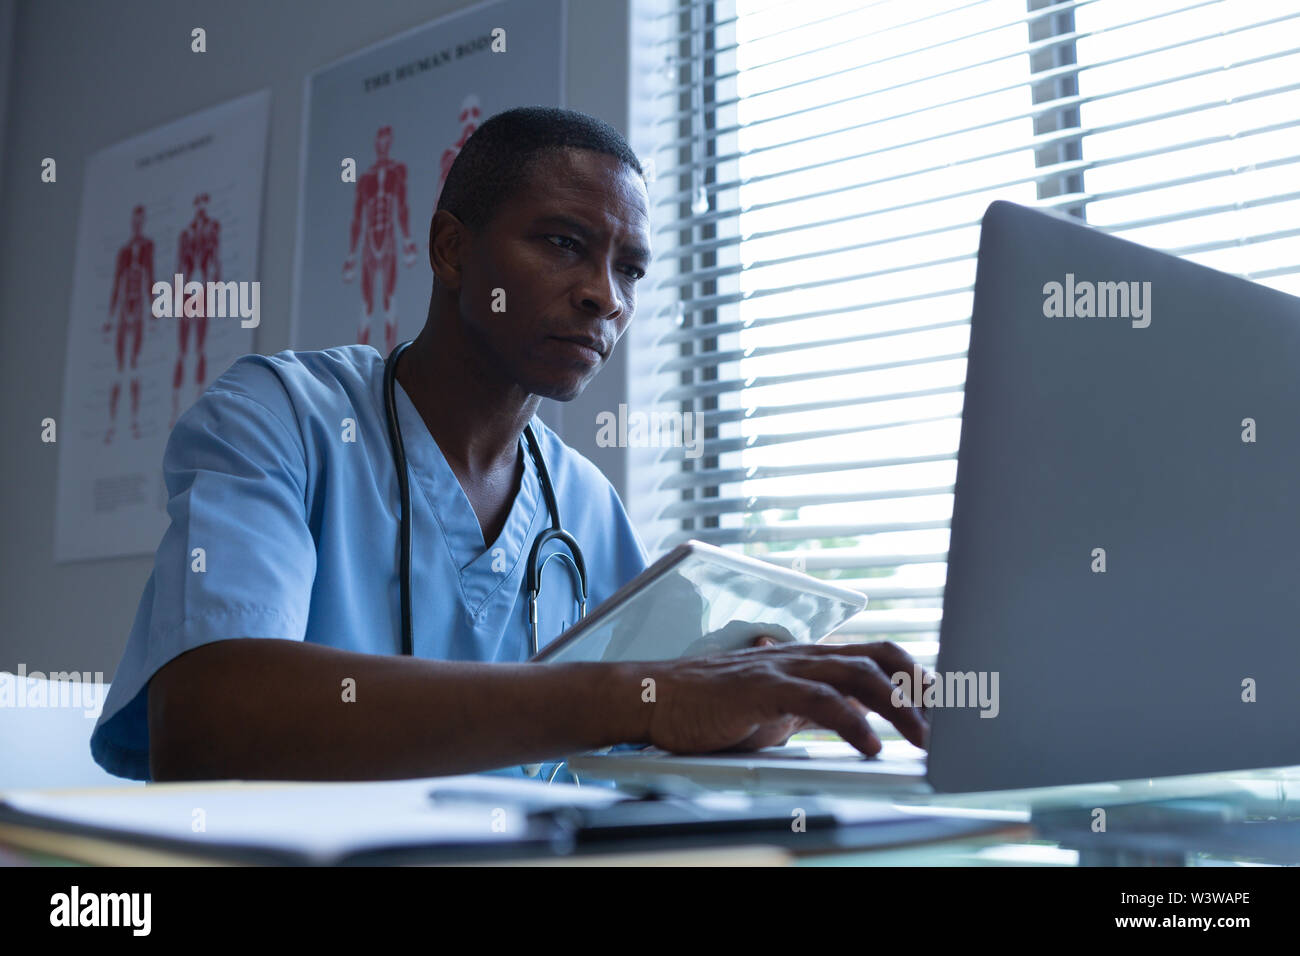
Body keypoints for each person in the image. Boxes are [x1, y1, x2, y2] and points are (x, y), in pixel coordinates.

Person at [90, 106, 930, 783]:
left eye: (630, 268)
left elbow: (625, 752)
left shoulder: (586, 507)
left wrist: (741, 715)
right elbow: (207, 722)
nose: (604, 297)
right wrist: (637, 694)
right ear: (452, 250)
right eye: (564, 243)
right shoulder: (280, 417)